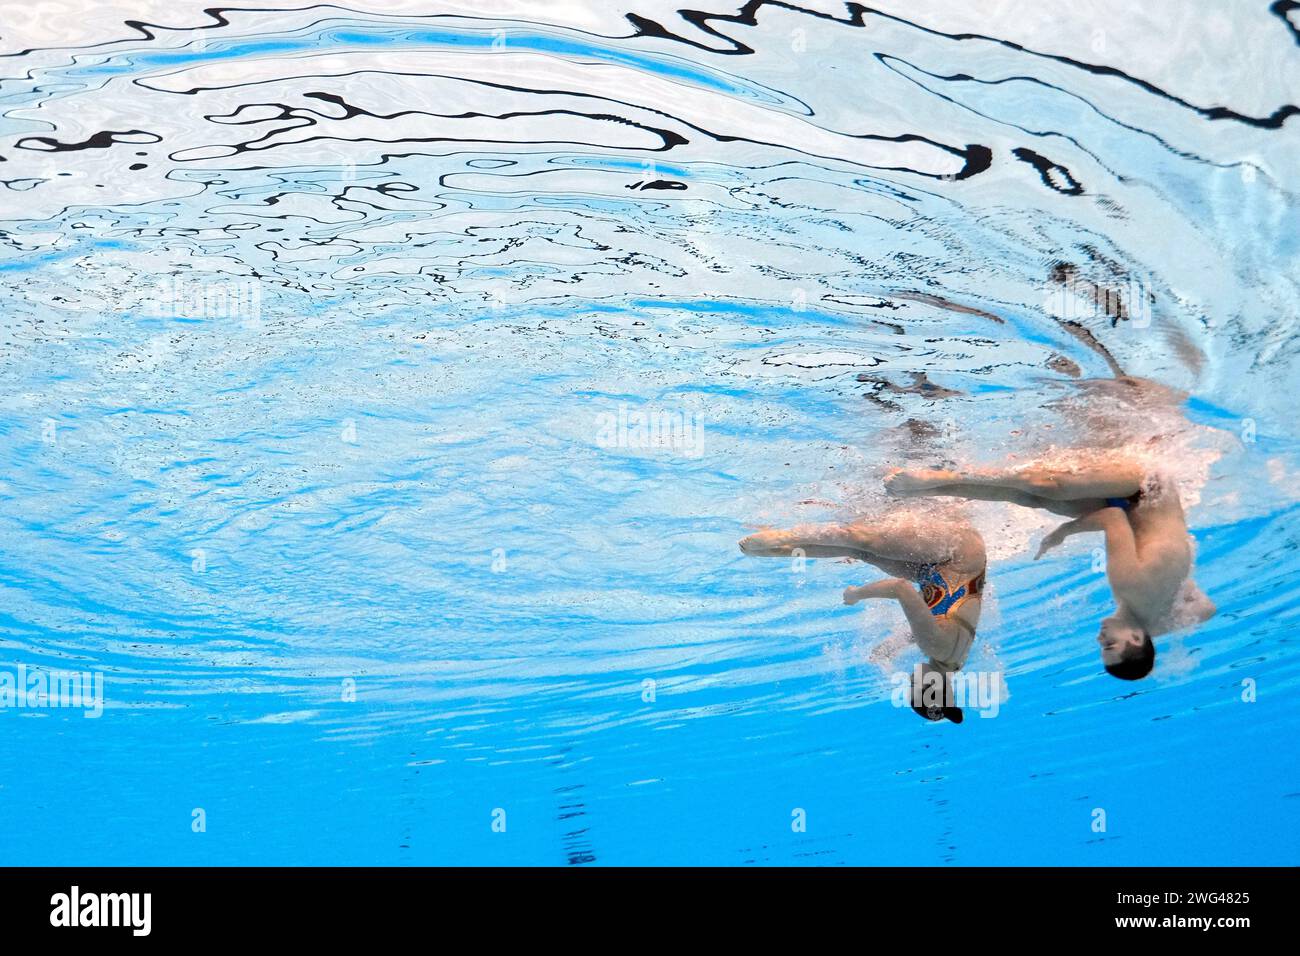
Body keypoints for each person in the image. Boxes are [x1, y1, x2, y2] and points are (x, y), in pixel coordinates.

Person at [886, 456, 1215, 680]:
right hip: (1147, 487)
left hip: (1132, 504)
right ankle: (935, 480)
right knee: (1046, 486)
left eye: (1103, 648)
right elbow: (1113, 520)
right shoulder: (1131, 586)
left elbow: (1206, 609)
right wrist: (1062, 533)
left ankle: (939, 484)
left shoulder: (1160, 617)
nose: (1100, 638)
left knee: (1032, 499)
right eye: (1109, 645)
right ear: (1134, 636)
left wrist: (1158, 630)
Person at [739, 512, 986, 722]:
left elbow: (924, 626)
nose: (909, 680)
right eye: (912, 686)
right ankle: (777, 539)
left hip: (937, 568)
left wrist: (890, 648)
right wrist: (857, 595)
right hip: (956, 554)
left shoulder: (953, 659)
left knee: (863, 553)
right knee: (864, 541)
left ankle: (775, 547)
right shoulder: (937, 648)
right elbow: (900, 588)